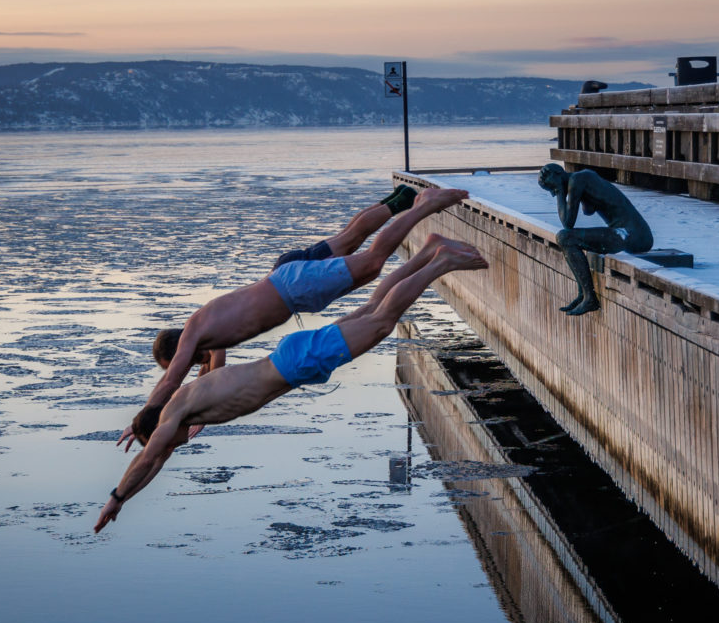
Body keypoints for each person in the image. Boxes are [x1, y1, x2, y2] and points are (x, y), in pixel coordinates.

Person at [95, 235, 487, 532]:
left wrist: (116, 499)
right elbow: (156, 459)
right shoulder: (181, 404)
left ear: (157, 428)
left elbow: (151, 456)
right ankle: (428, 252)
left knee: (382, 320)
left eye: (166, 443)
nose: (176, 447)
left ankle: (442, 262)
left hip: (297, 362)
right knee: (370, 311)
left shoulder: (173, 413)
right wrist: (135, 452)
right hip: (294, 362)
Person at [131, 186, 468, 432]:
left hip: (293, 286)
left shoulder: (198, 336)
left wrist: (150, 416)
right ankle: (403, 203)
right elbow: (207, 378)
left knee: (371, 263)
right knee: (352, 242)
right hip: (289, 278)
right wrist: (185, 416)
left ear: (179, 351)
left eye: (181, 362)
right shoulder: (209, 335)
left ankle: (422, 206)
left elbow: (176, 380)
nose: (190, 367)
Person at [536, 163, 653, 317]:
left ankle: (590, 298)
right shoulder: (582, 179)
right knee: (567, 238)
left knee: (565, 237)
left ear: (558, 174)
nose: (553, 193)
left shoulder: (578, 179)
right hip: (632, 234)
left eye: (552, 188)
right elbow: (588, 210)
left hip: (633, 235)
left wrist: (560, 190)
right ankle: (583, 294)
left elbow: (567, 223)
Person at [270, 183, 419, 270]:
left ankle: (402, 200)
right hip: (289, 267)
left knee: (353, 237)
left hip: (298, 268)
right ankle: (395, 199)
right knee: (349, 236)